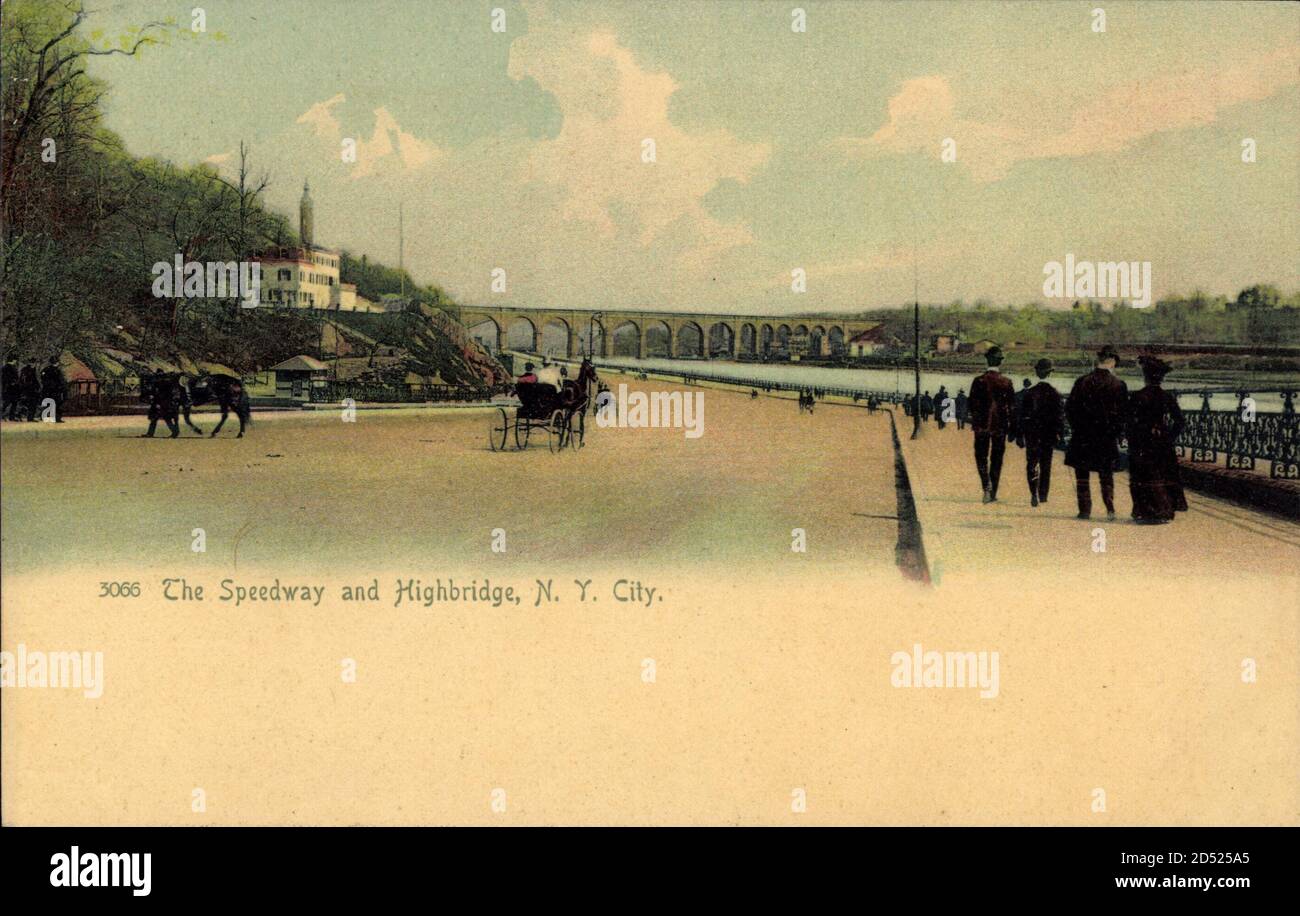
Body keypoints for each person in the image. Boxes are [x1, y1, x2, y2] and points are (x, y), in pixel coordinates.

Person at [1065, 345, 1128, 520]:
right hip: (1106, 437)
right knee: (1106, 474)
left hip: (1083, 436)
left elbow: (1070, 409)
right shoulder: (1118, 384)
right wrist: (1117, 433)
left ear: (1099, 360)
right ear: (1113, 362)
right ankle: (1110, 509)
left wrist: (1076, 428)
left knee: (1082, 474)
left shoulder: (1082, 381)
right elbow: (1123, 414)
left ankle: (1084, 510)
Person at [1126, 355, 1188, 524]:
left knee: (1143, 475)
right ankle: (1164, 510)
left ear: (1145, 377)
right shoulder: (1166, 397)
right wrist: (1169, 437)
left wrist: (1133, 439)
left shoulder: (1138, 396)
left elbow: (1129, 422)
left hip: (1143, 441)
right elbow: (1180, 421)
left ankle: (1145, 511)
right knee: (1162, 474)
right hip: (1162, 442)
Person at [968, 345, 1015, 503]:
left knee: (981, 456)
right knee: (997, 458)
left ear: (987, 360)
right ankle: (993, 491)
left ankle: (986, 485)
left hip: (981, 425)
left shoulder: (978, 381)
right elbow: (1012, 407)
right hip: (1000, 426)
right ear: (1000, 362)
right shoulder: (1007, 382)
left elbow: (971, 405)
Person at [1019, 359, 1064, 507]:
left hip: (1032, 434)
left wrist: (1020, 435)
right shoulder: (1055, 393)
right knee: (1046, 464)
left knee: (1031, 463)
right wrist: (1060, 435)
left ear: (1036, 372)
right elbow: (1059, 417)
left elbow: (1022, 417)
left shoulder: (1029, 394)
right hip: (1048, 435)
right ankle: (1043, 494)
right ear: (1050, 373)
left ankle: (1033, 493)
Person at [143, 370, 180, 438]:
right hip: (164, 403)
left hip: (162, 403)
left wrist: (158, 403)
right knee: (160, 419)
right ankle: (150, 433)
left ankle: (174, 432)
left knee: (163, 418)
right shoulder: (167, 383)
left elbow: (160, 394)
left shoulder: (162, 384)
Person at [39, 357, 67, 423]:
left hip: (49, 390)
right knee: (56, 404)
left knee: (49, 403)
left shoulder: (46, 370)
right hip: (54, 390)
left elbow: (43, 379)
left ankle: (45, 416)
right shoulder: (56, 371)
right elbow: (60, 381)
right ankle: (56, 418)